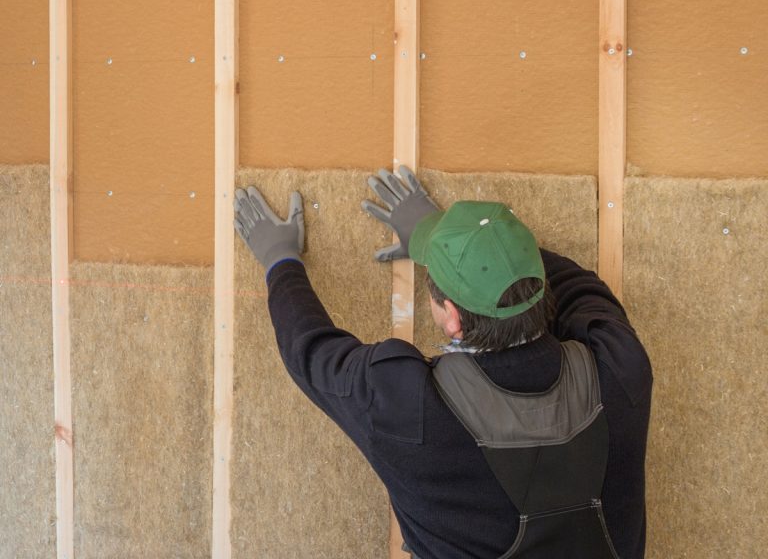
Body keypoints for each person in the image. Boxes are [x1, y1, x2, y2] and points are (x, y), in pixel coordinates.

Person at [234, 167, 652, 559]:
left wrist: (280, 260)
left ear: (451, 317)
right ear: (541, 290)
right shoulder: (620, 367)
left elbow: (312, 353)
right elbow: (579, 287)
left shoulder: (409, 409)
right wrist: (445, 243)